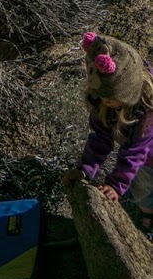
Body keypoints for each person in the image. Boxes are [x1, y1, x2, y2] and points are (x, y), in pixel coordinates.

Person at [62, 31, 153, 228]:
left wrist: (115, 185)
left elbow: (136, 151)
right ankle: (149, 215)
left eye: (111, 100)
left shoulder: (147, 110)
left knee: (145, 179)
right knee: (143, 190)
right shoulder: (102, 103)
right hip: (145, 160)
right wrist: (85, 169)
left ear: (128, 93)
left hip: (148, 153)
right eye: (103, 98)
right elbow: (100, 138)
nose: (106, 103)